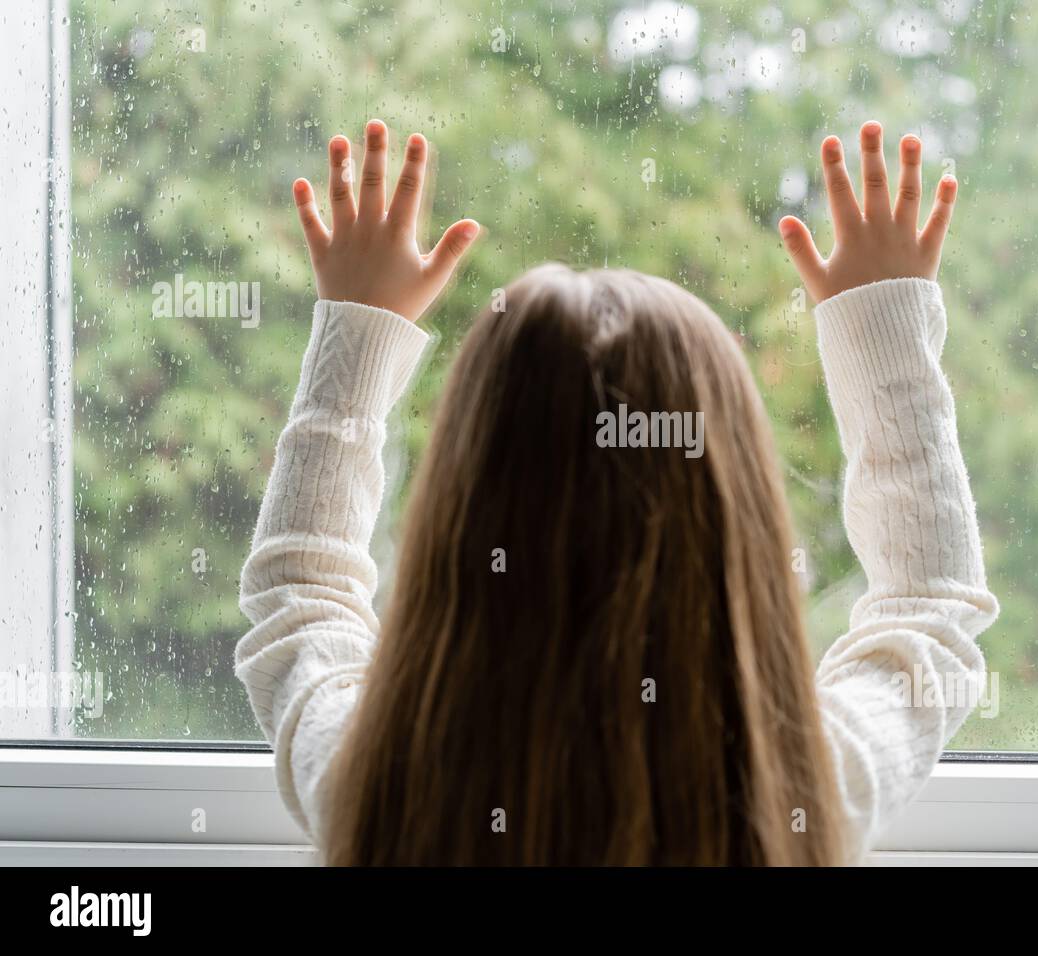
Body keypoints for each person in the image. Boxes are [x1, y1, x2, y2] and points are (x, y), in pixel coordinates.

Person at [236, 118, 998, 865]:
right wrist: (883, 322)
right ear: (737, 526)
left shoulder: (377, 785)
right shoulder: (796, 792)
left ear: (462, 513)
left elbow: (302, 595)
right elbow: (929, 607)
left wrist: (360, 326)